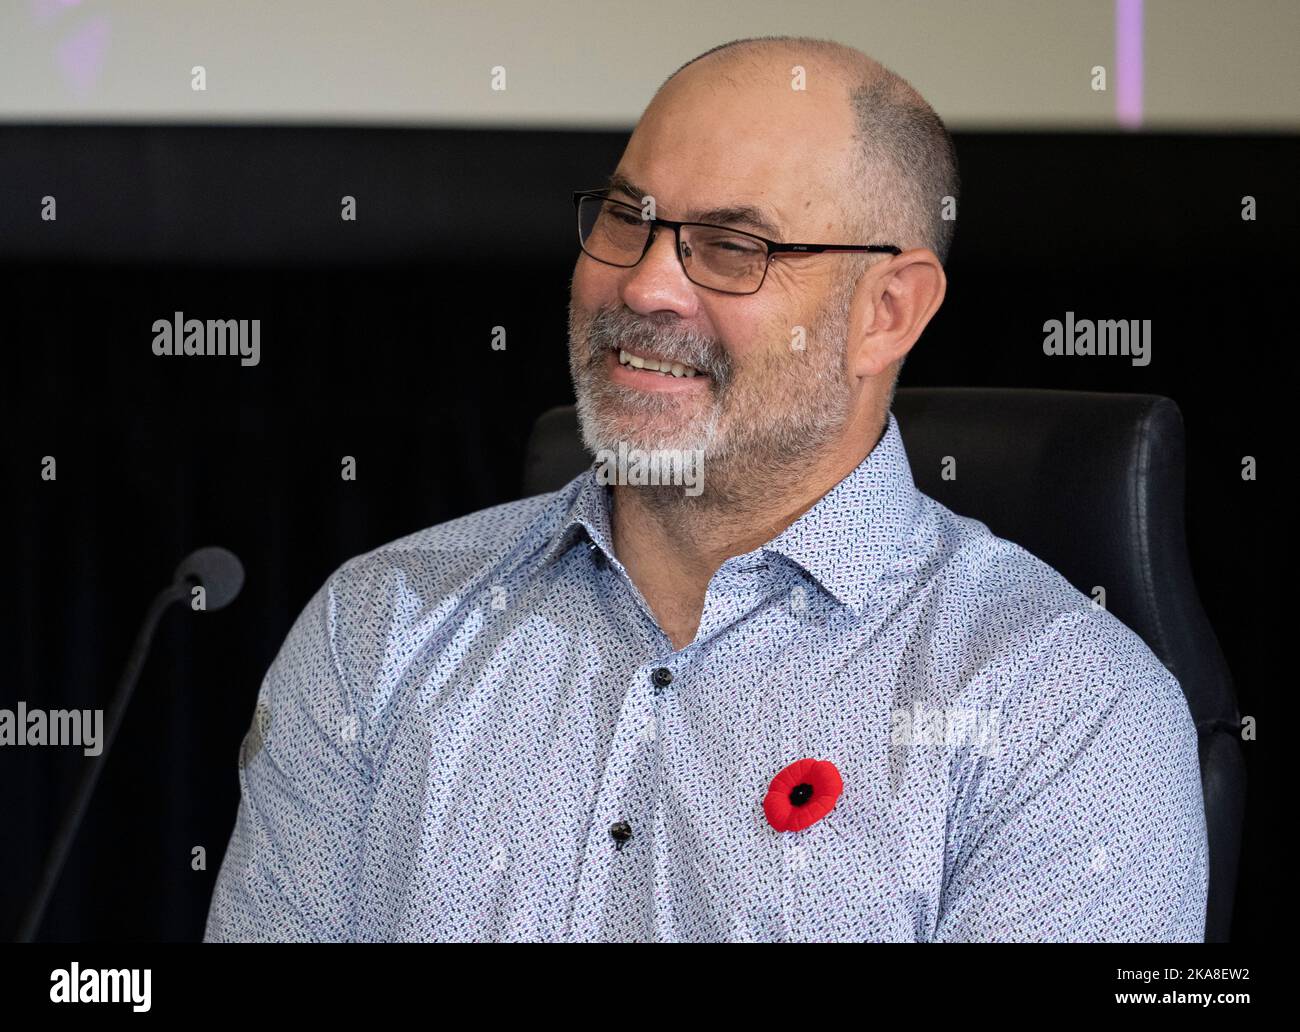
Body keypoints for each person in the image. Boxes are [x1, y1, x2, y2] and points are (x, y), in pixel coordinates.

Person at [204, 35, 1207, 942]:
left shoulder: (1068, 710)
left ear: (887, 310)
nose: (642, 284)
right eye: (627, 218)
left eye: (732, 248)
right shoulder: (379, 627)